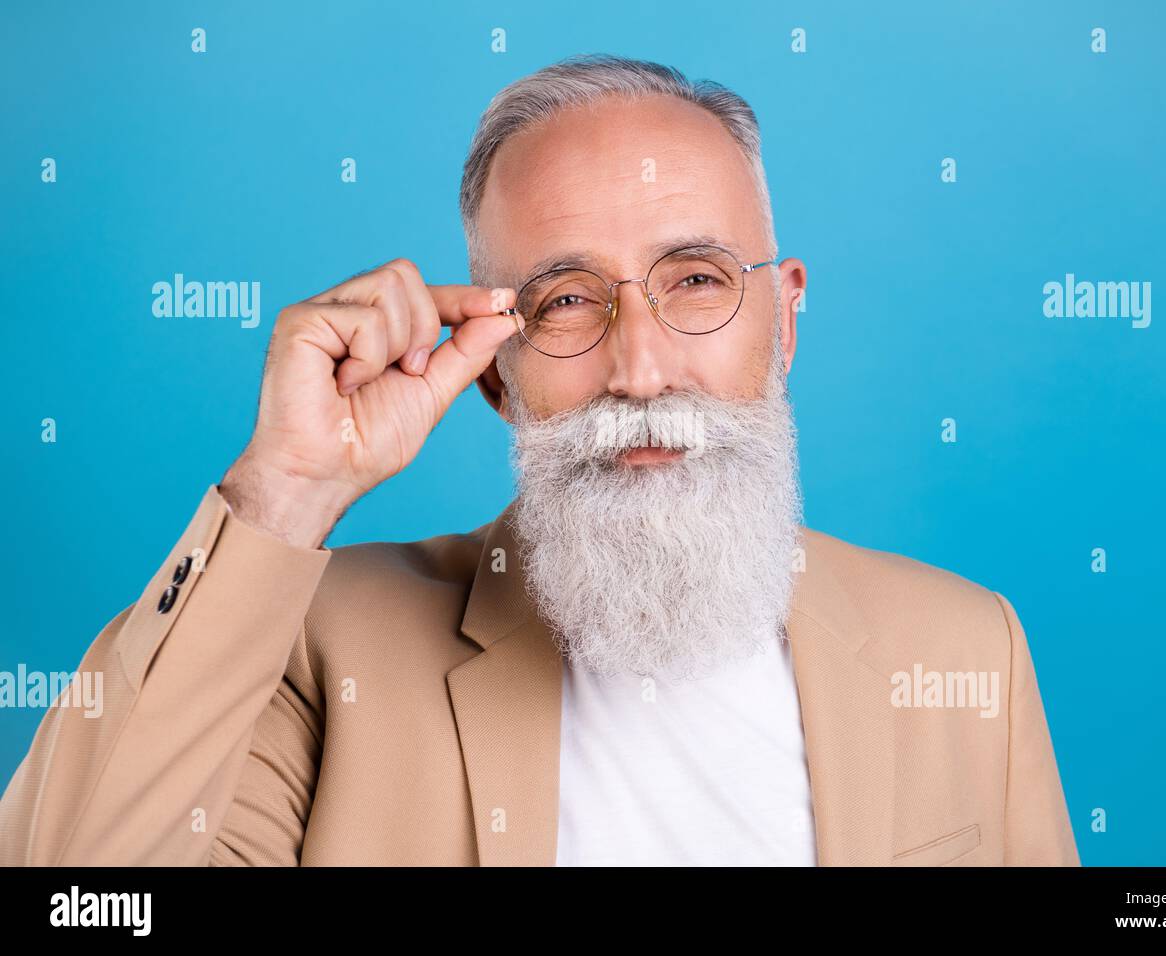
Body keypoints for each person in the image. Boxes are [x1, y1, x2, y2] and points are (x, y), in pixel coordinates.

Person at [0, 54, 1079, 866]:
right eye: (567, 301)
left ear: (784, 318)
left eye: (696, 280)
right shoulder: (323, 645)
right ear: (493, 373)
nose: (641, 368)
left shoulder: (963, 645)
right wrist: (285, 489)